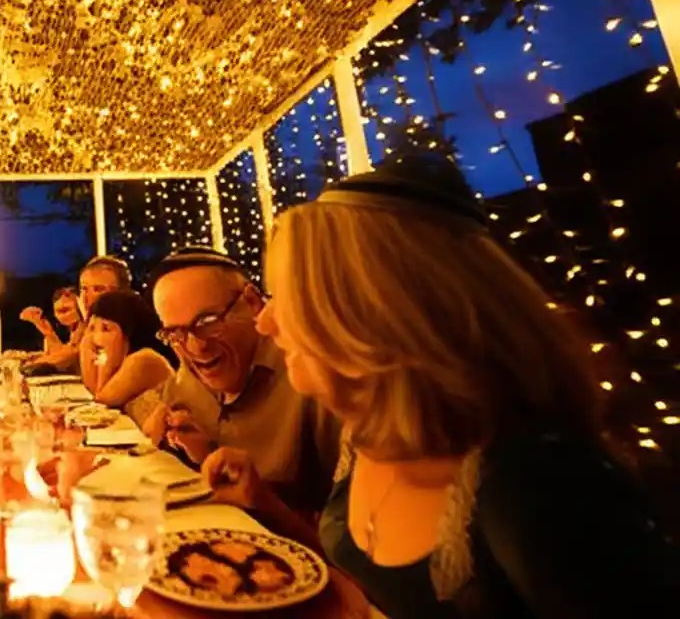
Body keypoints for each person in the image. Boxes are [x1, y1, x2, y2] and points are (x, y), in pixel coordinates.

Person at [204, 153, 679, 617]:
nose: (264, 322)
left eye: (288, 297)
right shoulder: (367, 433)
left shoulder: (536, 485)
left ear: (373, 314)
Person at [145, 246, 338, 538]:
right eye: (176, 333)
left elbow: (348, 554)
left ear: (251, 302)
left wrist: (264, 502)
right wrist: (195, 449)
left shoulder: (311, 377)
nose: (196, 347)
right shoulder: (186, 376)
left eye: (208, 322)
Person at [78, 289, 173, 425]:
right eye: (91, 328)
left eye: (106, 329)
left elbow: (101, 401)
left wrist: (105, 363)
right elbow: (93, 391)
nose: (95, 338)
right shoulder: (123, 361)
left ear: (129, 332)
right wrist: (86, 349)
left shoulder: (144, 360)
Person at [26, 256, 133, 372]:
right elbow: (66, 353)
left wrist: (32, 364)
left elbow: (73, 358)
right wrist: (48, 334)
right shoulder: (87, 324)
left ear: (122, 293)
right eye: (84, 289)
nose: (87, 297)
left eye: (98, 289)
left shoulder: (124, 326)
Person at [20, 286, 82, 358]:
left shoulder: (84, 328)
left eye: (66, 310)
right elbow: (60, 353)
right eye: (58, 311)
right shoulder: (67, 330)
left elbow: (67, 358)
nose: (63, 315)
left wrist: (49, 334)